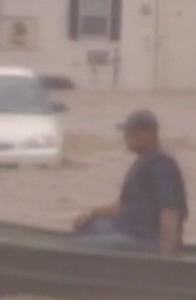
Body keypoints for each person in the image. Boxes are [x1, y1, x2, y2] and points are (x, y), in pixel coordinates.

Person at [72, 109, 189, 256]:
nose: (126, 138)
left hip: (145, 240)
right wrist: (92, 213)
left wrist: (166, 258)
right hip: (126, 228)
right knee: (86, 227)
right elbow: (124, 205)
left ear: (148, 134)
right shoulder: (145, 161)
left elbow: (170, 213)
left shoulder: (162, 166)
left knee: (75, 248)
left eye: (130, 133)